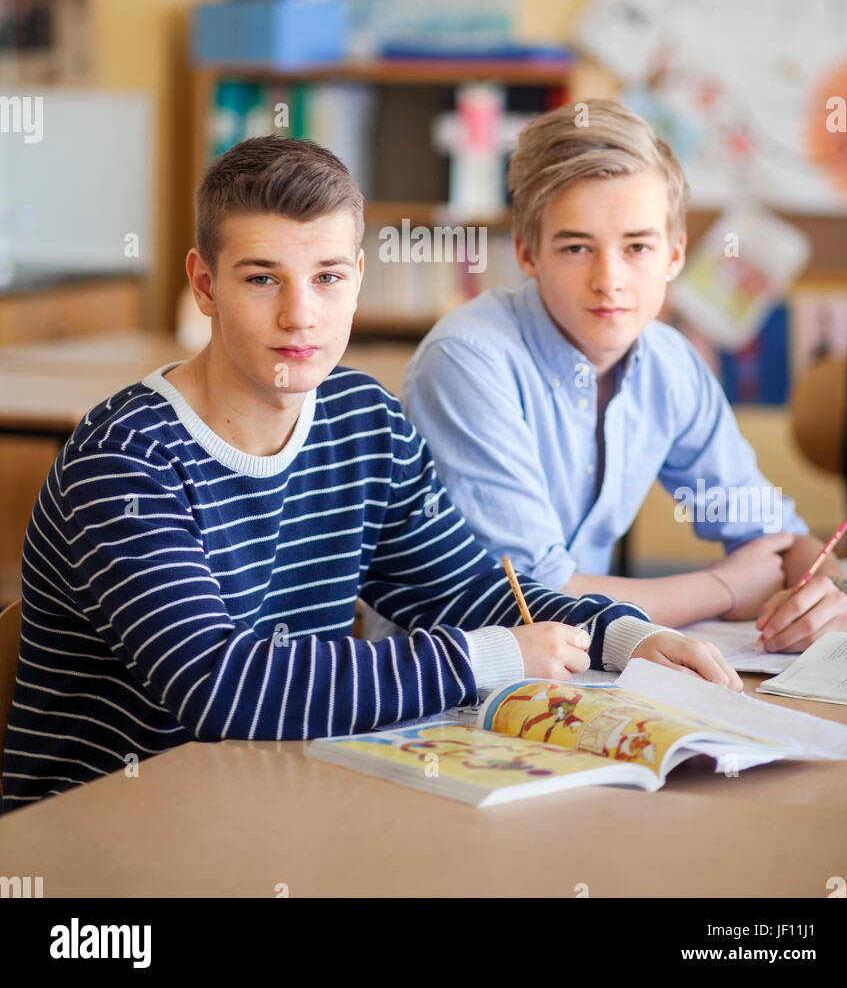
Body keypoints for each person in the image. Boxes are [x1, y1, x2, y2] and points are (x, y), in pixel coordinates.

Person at [1, 135, 742, 812]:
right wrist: (486, 658)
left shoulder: (363, 418)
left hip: (277, 799)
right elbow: (221, 688)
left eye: (327, 277)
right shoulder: (126, 460)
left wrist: (626, 640)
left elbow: (465, 590)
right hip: (107, 829)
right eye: (263, 279)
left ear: (358, 278)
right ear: (204, 285)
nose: (301, 316)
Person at [402, 101, 847, 654]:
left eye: (638, 247)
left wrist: (830, 588)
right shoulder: (467, 361)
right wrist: (721, 588)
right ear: (527, 251)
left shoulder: (670, 363)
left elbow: (771, 532)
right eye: (576, 248)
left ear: (674, 254)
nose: (610, 280)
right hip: (453, 678)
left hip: (589, 666)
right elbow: (531, 596)